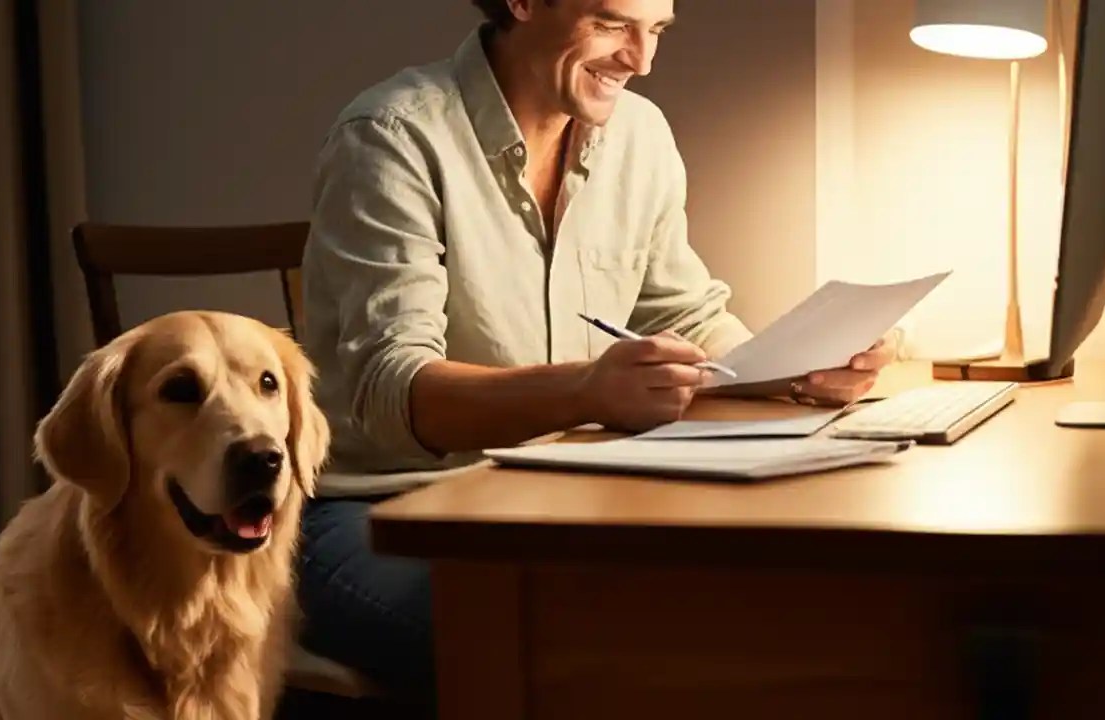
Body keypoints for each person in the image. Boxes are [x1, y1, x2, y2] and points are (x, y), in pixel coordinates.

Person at [294, 0, 898, 712]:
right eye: (612, 23)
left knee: (775, 616)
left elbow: (683, 314)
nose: (641, 60)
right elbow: (394, 394)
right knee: (603, 653)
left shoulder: (639, 134)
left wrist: (796, 370)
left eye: (657, 30)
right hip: (376, 514)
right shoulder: (391, 136)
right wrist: (584, 391)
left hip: (553, 497)